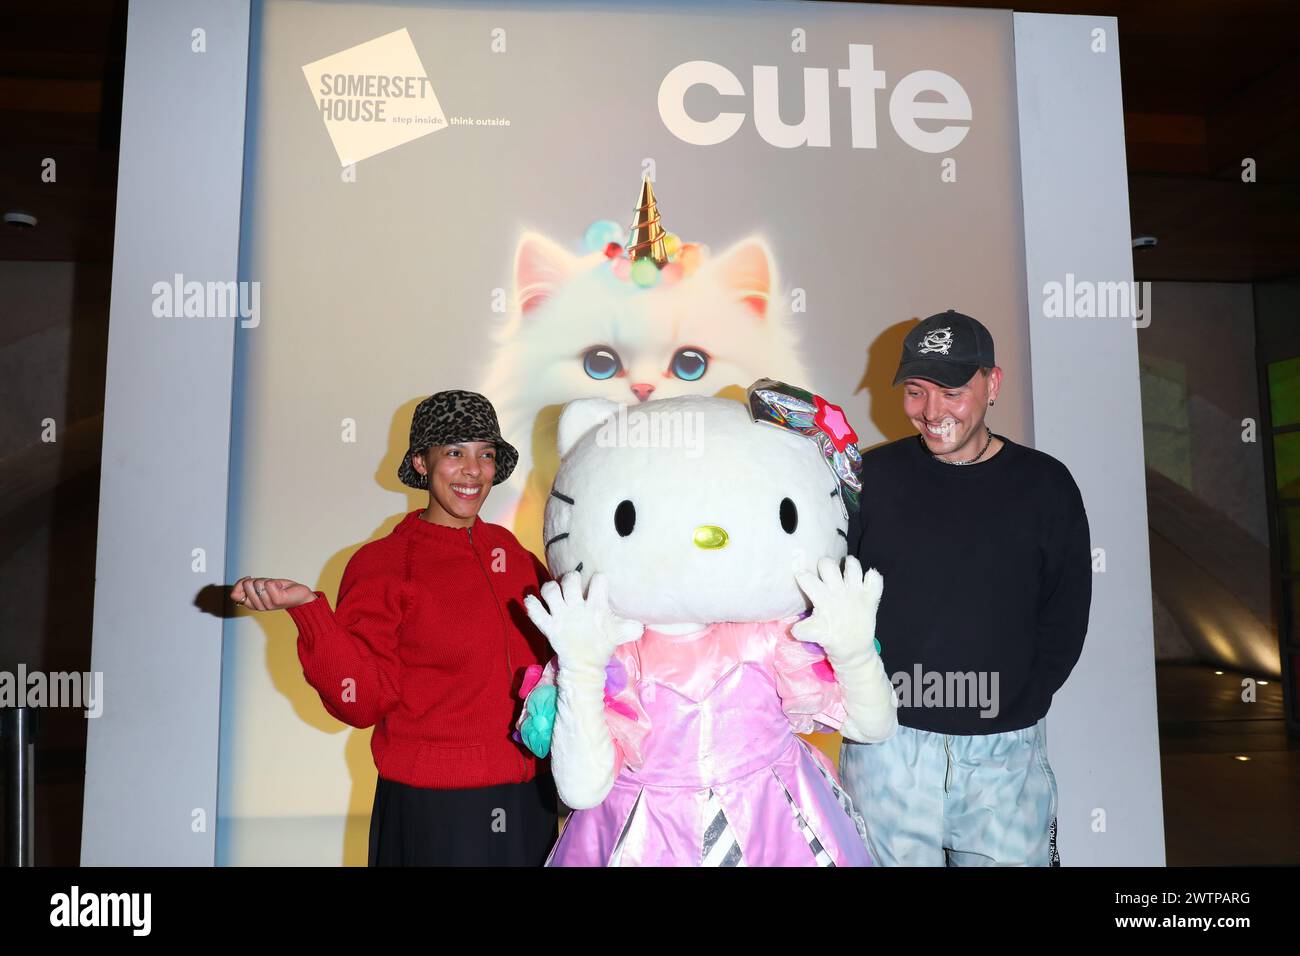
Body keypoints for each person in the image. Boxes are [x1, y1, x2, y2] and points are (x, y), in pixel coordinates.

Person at [230, 390, 558, 866]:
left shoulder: (514, 555)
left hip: (530, 799)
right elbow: (362, 701)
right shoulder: (384, 564)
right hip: (437, 811)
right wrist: (309, 612)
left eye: (485, 454)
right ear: (421, 464)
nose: (473, 469)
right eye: (454, 452)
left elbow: (566, 653)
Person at [839, 310, 1092, 866]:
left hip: (1003, 755)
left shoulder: (1045, 485)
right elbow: (837, 602)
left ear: (991, 384)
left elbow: (1065, 615)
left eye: (952, 390)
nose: (932, 412)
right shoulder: (867, 478)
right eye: (916, 391)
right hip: (888, 749)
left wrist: (1018, 705)